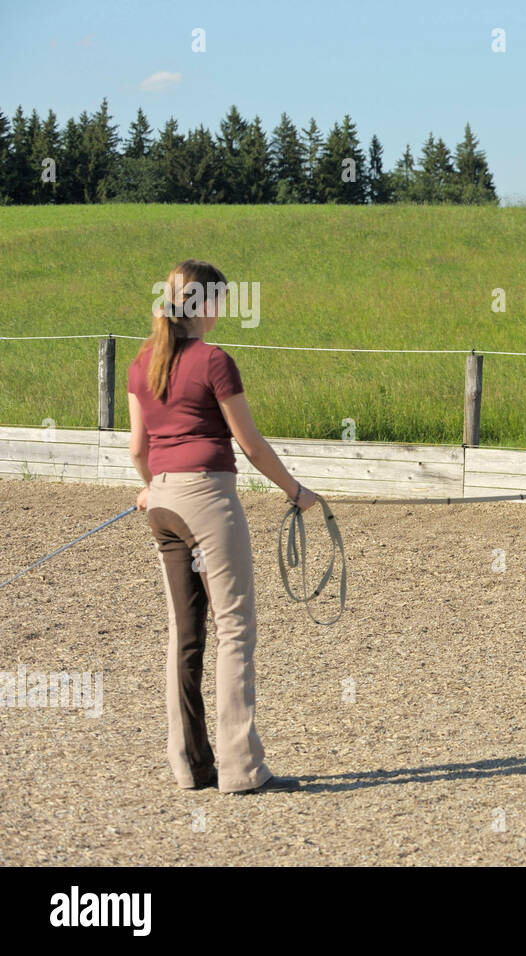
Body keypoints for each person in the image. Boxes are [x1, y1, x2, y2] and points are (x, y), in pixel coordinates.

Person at [127, 259, 317, 794]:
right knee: (235, 629)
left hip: (163, 504)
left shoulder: (142, 363)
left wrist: (151, 487)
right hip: (208, 498)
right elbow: (250, 445)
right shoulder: (214, 361)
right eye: (220, 302)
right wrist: (296, 492)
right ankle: (241, 769)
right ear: (204, 304)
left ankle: (190, 767)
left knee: (185, 636)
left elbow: (139, 448)